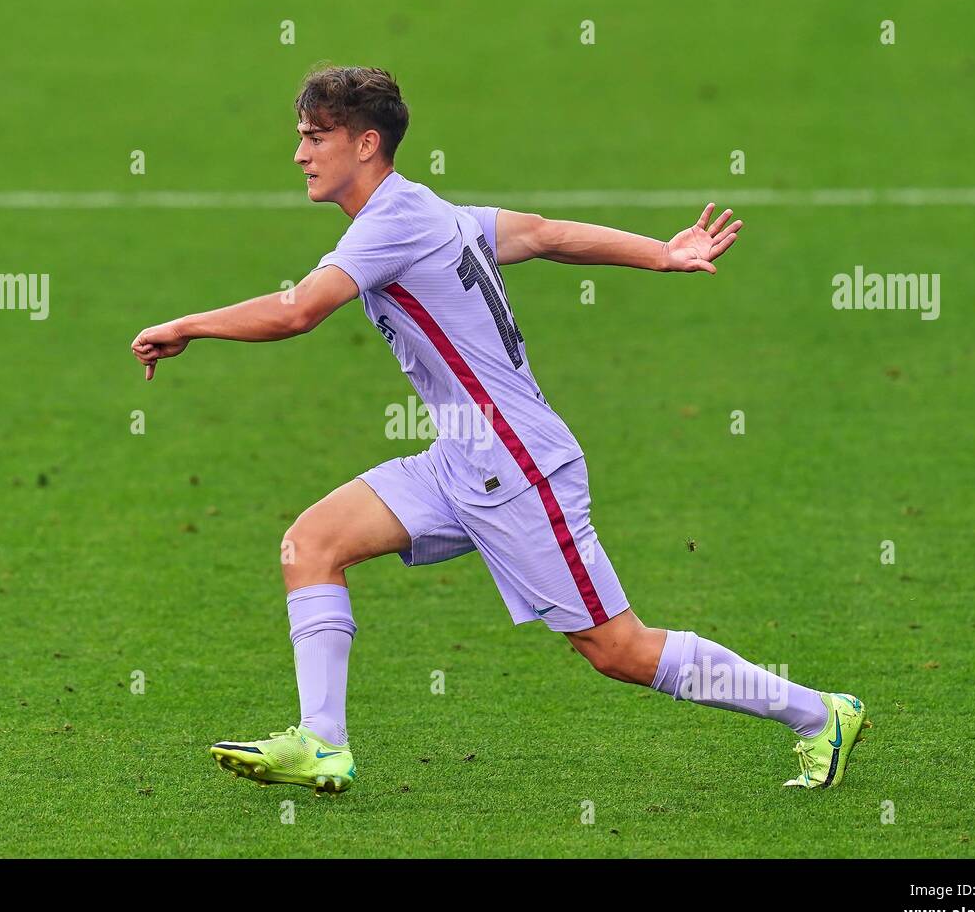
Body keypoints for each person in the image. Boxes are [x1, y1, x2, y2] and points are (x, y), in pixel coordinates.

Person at [130, 65, 868, 795]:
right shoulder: (433, 212)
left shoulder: (392, 222)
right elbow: (545, 234)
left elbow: (298, 311)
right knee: (312, 543)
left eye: (315, 137)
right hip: (462, 460)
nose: (300, 154)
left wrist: (189, 325)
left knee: (616, 648)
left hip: (517, 466)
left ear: (365, 145)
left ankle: (818, 714)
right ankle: (322, 742)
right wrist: (662, 253)